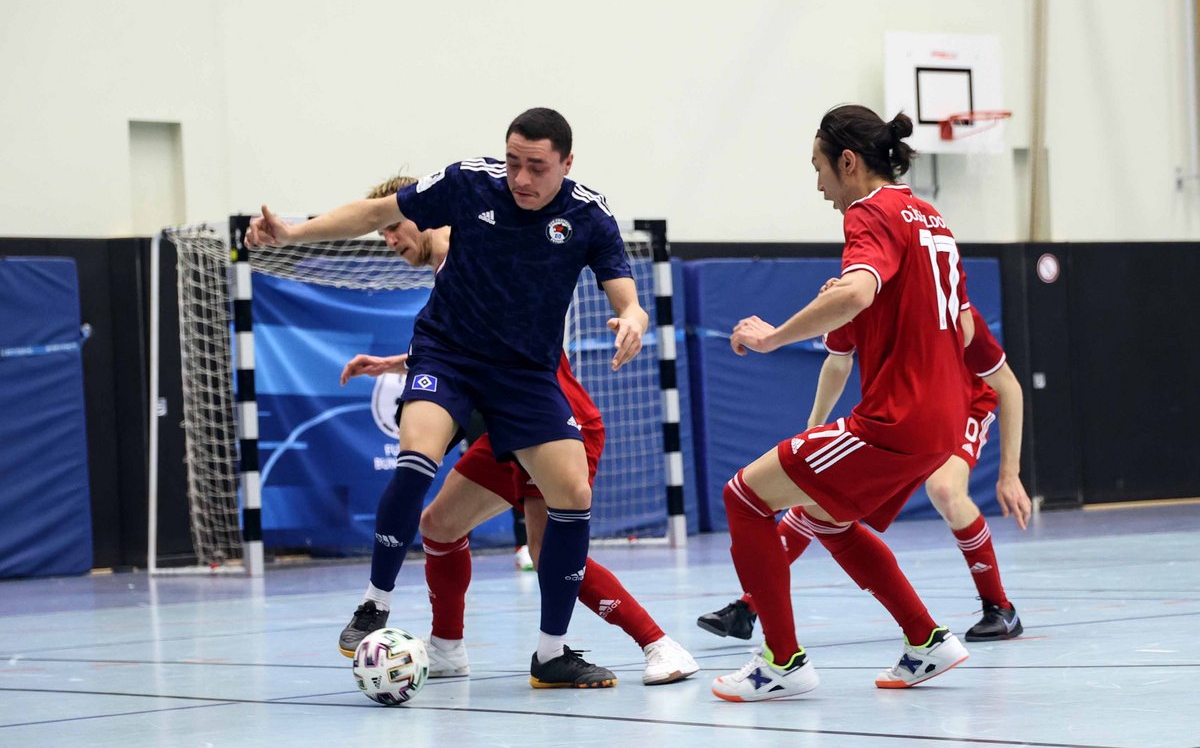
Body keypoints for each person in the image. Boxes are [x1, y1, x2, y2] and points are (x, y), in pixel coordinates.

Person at [246, 108, 648, 688]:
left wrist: (631, 318)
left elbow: (624, 297)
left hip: (525, 374)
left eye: (537, 167)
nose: (521, 178)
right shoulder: (467, 182)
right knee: (418, 455)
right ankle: (375, 602)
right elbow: (377, 211)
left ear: (566, 163)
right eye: (513, 162)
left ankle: (551, 654)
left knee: (572, 494)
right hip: (448, 355)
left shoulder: (588, 215)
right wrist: (292, 230)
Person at [338, 174, 698, 685]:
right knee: (439, 525)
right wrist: (399, 364)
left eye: (391, 227)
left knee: (546, 546)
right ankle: (445, 649)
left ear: (427, 212)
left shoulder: (482, 240)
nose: (389, 240)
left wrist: (630, 311)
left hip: (554, 419)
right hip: (504, 426)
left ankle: (658, 644)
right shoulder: (455, 268)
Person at [709, 104, 974, 702]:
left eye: (820, 168)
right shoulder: (931, 217)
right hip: (945, 417)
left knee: (744, 497)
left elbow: (857, 291)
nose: (820, 185)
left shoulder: (869, 211)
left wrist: (773, 336)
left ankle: (781, 661)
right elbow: (949, 322)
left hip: (896, 417)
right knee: (829, 518)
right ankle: (926, 640)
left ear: (848, 162)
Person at [698, 305, 1032, 644]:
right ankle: (750, 606)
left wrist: (1009, 473)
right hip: (906, 414)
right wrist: (814, 428)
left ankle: (999, 606)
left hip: (960, 406)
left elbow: (1009, 387)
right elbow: (837, 360)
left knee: (945, 489)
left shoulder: (944, 306)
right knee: (820, 493)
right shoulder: (860, 294)